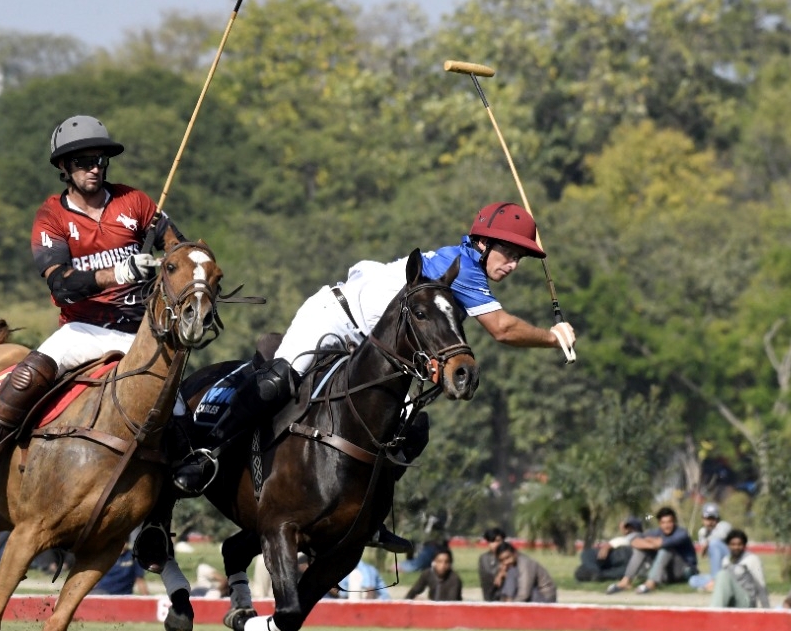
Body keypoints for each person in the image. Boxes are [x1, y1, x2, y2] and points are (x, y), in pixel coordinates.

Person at [173, 203, 577, 553]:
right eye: (509, 252)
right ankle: (205, 454)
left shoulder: (466, 271)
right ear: (483, 244)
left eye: (520, 258)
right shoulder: (464, 268)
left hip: (371, 346)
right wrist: (553, 336)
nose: (513, 264)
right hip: (335, 318)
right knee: (276, 382)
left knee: (408, 429)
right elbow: (502, 329)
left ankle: (369, 515)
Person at [0, 115, 188, 507]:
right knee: (28, 375)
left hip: (139, 335)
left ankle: (164, 510)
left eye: (100, 160)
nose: (94, 168)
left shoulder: (136, 203)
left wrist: (170, 266)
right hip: (83, 329)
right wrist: (118, 273)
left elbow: (182, 252)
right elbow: (59, 282)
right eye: (83, 161)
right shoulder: (52, 217)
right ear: (64, 167)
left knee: (178, 416)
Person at [605, 507, 698, 594]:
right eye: (663, 523)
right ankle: (626, 581)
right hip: (668, 572)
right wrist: (653, 544)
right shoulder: (656, 532)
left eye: (669, 522)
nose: (666, 526)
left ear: (674, 522)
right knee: (640, 550)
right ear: (659, 523)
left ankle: (651, 583)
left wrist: (652, 542)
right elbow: (634, 542)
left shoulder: (682, 533)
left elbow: (662, 544)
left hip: (685, 570)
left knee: (667, 549)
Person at [708, 529, 770, 609]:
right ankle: (715, 610)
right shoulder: (725, 560)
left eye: (739, 544)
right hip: (731, 600)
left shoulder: (752, 559)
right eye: (733, 544)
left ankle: (714, 612)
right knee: (721, 575)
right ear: (728, 545)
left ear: (744, 545)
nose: (736, 547)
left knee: (722, 574)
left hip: (746, 601)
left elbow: (761, 585)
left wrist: (766, 610)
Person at [576, 516, 643, 582]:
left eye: (625, 527)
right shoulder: (640, 536)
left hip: (621, 555)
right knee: (583, 570)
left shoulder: (635, 535)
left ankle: (595, 572)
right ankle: (597, 575)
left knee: (587, 553)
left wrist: (607, 547)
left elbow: (624, 541)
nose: (622, 528)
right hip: (626, 564)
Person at [492, 542, 557, 603]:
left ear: (514, 553)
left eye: (508, 557)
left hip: (544, 597)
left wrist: (512, 606)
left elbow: (524, 594)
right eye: (502, 560)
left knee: (512, 573)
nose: (506, 562)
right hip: (530, 595)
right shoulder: (511, 566)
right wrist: (501, 577)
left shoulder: (525, 564)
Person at [478, 527, 507, 602]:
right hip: (490, 596)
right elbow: (489, 575)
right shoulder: (484, 558)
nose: (495, 544)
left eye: (498, 541)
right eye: (492, 541)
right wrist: (501, 572)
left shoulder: (510, 557)